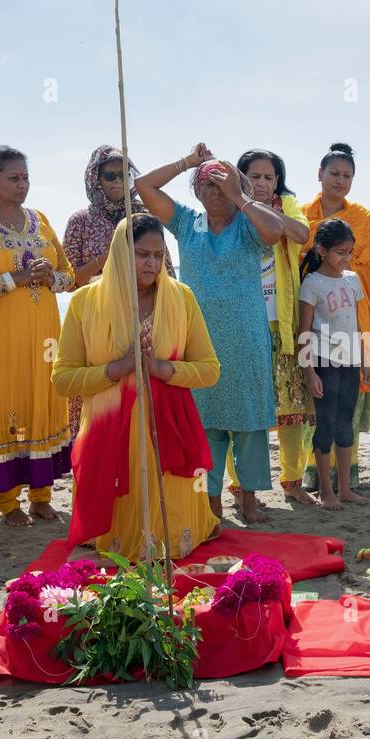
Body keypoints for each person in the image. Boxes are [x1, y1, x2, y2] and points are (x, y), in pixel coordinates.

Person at [135, 144, 289, 525]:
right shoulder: (187, 222)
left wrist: (241, 195)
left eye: (223, 183)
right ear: (197, 191)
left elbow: (276, 231)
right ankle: (213, 502)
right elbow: (142, 187)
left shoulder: (249, 224)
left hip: (247, 339)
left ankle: (250, 501)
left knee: (250, 425)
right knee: (205, 426)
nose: (215, 190)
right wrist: (187, 162)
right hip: (198, 342)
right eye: (208, 183)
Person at [52, 213, 220, 560]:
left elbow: (209, 370)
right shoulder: (85, 303)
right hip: (109, 435)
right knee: (118, 544)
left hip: (169, 433)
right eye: (142, 254)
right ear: (119, 254)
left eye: (159, 255)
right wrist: (118, 369)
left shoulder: (181, 298)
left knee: (172, 545)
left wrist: (163, 369)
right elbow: (63, 379)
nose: (152, 263)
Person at [0, 146, 74, 526]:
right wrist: (14, 279)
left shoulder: (39, 219)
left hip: (44, 339)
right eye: (13, 178)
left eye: (25, 177)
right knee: (4, 405)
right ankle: (6, 502)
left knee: (42, 404)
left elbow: (69, 277)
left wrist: (48, 276)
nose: (22, 184)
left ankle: (41, 497)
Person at [231, 148, 317, 506]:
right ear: (241, 178)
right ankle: (240, 488)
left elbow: (299, 234)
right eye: (255, 176)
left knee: (291, 411)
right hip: (241, 324)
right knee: (241, 410)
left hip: (281, 325)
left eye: (270, 177)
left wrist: (267, 213)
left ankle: (293, 482)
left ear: (278, 181)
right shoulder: (228, 210)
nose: (262, 183)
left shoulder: (289, 205)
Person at [301, 143, 370, 492]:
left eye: (347, 175)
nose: (340, 181)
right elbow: (294, 259)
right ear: (319, 174)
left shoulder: (363, 219)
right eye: (334, 174)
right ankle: (314, 474)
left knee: (346, 410)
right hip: (317, 327)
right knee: (319, 410)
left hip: (352, 322)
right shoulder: (301, 214)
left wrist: (348, 264)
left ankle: (346, 477)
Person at [62, 145, 149, 439]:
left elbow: (162, 268)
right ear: (94, 178)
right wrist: (108, 255)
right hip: (96, 317)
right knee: (99, 392)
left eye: (124, 174)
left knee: (139, 398)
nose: (117, 181)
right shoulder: (80, 221)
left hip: (141, 313)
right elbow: (70, 280)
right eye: (110, 175)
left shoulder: (142, 216)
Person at [298, 219, 370, 509]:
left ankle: (344, 489)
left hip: (351, 362)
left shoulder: (352, 280)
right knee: (326, 426)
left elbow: (356, 325)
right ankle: (325, 491)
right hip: (324, 363)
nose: (346, 258)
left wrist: (366, 362)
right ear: (321, 249)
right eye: (340, 252)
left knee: (345, 426)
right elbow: (304, 332)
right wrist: (310, 372)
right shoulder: (312, 284)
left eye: (349, 252)